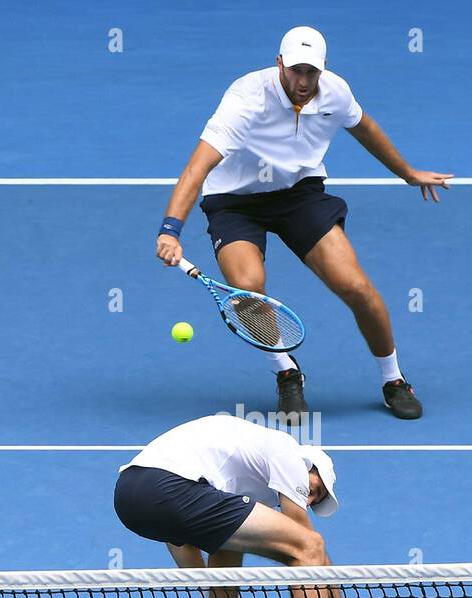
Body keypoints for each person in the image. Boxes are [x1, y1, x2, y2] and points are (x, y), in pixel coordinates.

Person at [154, 25, 452, 421]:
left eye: (311, 72)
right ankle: (287, 373)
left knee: (356, 287)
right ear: (280, 64)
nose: (303, 81)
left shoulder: (335, 92)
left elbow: (365, 128)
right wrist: (170, 229)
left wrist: (408, 173)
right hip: (235, 201)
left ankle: (393, 380)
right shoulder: (246, 99)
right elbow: (197, 167)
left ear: (323, 70)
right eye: (296, 70)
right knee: (247, 289)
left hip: (299, 195)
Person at [113, 414, 398, 598]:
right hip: (171, 487)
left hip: (131, 498)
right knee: (308, 545)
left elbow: (182, 544)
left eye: (317, 500)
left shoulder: (235, 477)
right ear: (310, 467)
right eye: (317, 489)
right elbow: (307, 547)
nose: (311, 499)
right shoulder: (288, 453)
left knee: (227, 542)